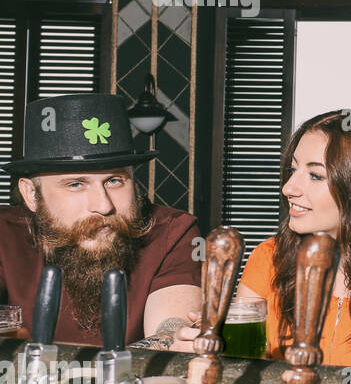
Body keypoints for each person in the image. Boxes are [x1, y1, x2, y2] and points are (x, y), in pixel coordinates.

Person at [178, 109, 351, 366]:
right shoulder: (269, 257)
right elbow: (244, 368)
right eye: (292, 169)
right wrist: (213, 351)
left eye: (315, 175)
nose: (288, 188)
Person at [0, 93, 201, 345]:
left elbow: (170, 330)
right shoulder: (4, 233)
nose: (104, 206)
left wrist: (172, 339)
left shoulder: (174, 231)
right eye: (75, 184)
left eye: (115, 180)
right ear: (31, 194)